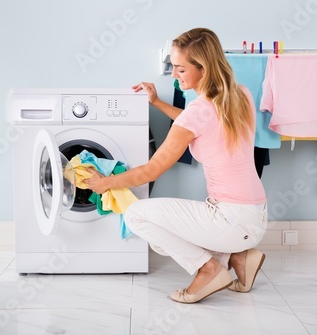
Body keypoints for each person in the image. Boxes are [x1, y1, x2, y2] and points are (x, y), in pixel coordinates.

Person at [83, 27, 268, 303]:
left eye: (180, 69)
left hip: (230, 219)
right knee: (183, 223)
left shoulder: (199, 112)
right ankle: (240, 257)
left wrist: (104, 183)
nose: (173, 75)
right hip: (256, 216)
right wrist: (157, 102)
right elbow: (199, 122)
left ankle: (209, 269)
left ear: (203, 69)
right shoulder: (240, 95)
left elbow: (151, 170)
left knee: (136, 215)